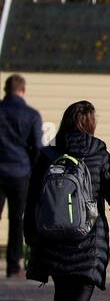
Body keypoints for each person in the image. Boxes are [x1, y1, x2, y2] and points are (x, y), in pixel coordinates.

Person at [24, 101, 110, 301]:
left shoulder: (47, 155)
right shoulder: (98, 152)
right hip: (89, 230)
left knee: (62, 282)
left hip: (51, 231)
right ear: (91, 123)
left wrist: (30, 231)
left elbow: (33, 196)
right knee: (86, 280)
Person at [0, 74, 43, 277]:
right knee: (17, 220)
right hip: (20, 172)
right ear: (23, 90)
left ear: (5, 90)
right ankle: (13, 265)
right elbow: (37, 148)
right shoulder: (31, 115)